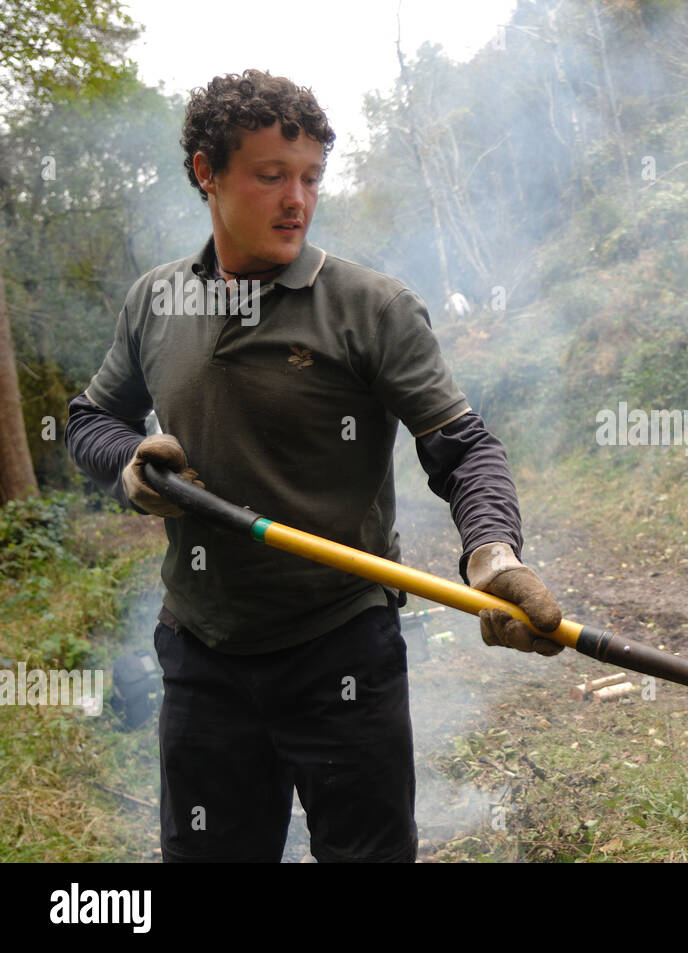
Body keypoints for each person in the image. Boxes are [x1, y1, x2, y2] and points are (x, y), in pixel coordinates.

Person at [65, 69, 562, 863]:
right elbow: (90, 419)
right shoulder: (154, 303)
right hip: (202, 653)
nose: (298, 199)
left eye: (311, 178)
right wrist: (132, 464)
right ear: (206, 172)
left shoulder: (372, 308)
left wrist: (492, 554)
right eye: (271, 177)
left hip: (342, 652)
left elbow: (463, 448)